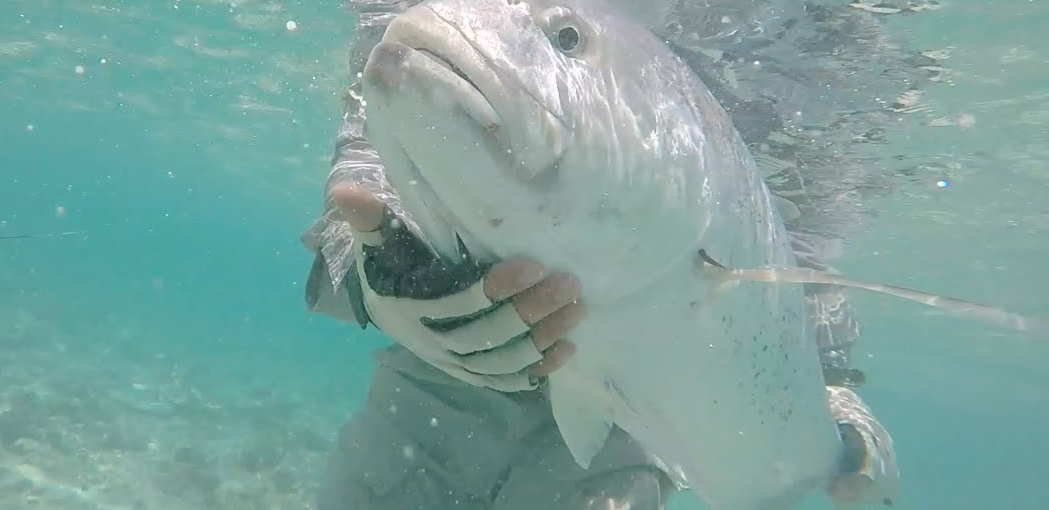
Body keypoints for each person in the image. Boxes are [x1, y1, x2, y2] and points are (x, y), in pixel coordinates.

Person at [299, 110, 899, 510]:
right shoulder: (460, 31)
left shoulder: (793, 119)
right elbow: (352, 204)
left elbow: (798, 289)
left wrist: (840, 413)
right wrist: (374, 282)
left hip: (615, 447)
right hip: (426, 415)